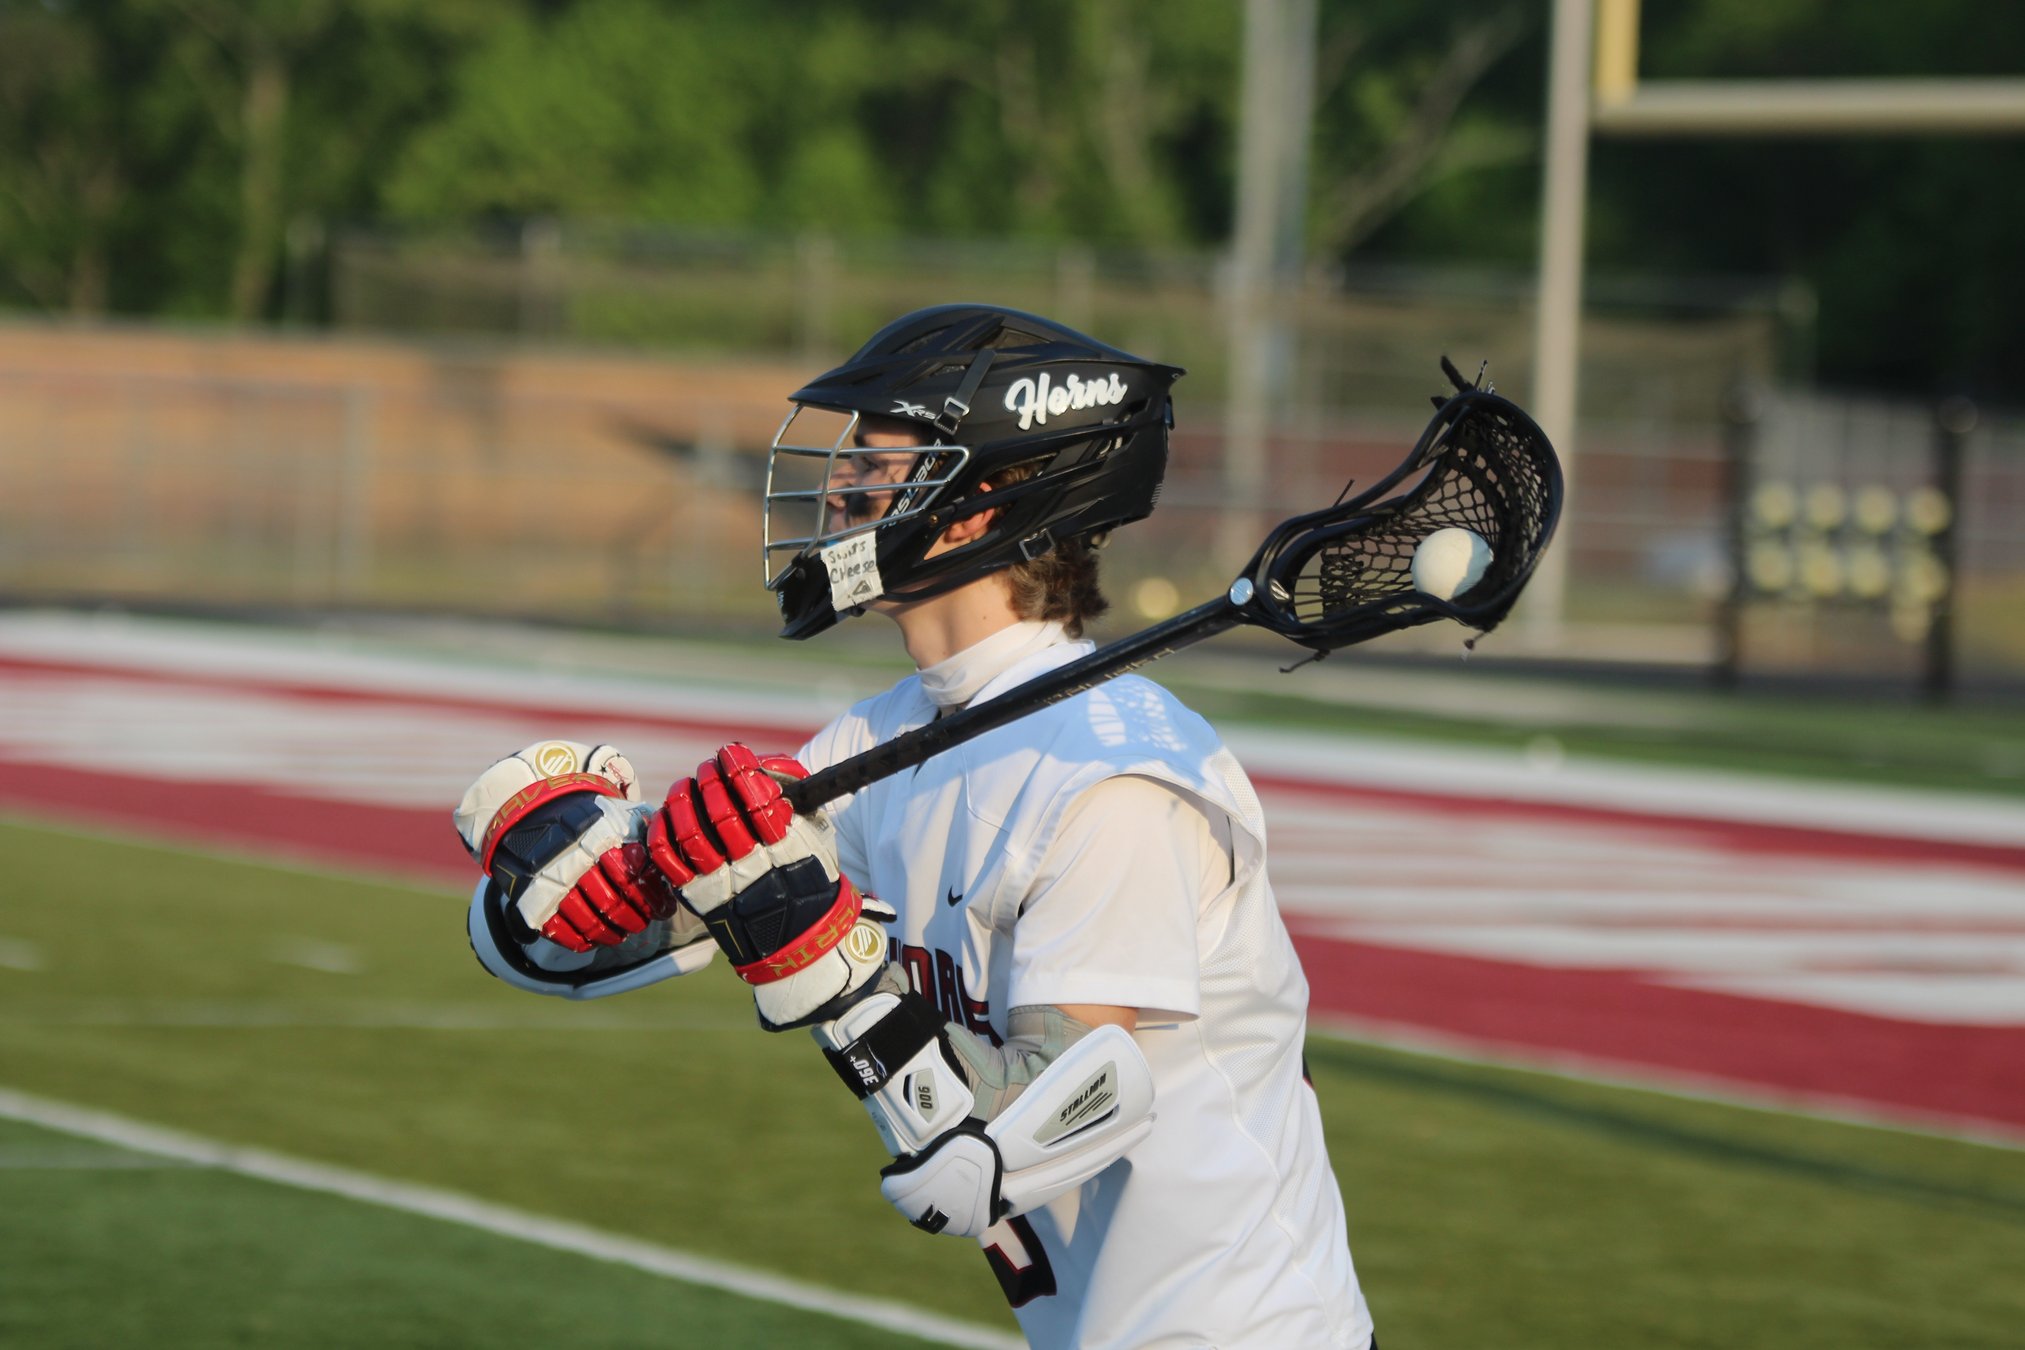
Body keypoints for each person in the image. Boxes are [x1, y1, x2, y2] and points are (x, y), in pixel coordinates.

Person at [454, 305, 1376, 1349]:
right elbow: (593, 936)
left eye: (877, 461)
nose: (838, 487)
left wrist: (834, 971)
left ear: (982, 503)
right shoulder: (887, 734)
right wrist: (581, 869)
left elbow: (997, 1153)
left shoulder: (1113, 780)